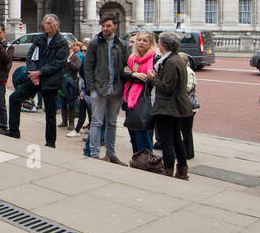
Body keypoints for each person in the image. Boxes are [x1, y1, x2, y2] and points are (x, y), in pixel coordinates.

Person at [4, 14, 69, 147]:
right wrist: (33, 74)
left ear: (56, 25)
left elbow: (58, 63)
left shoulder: (62, 42)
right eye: (45, 22)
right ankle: (14, 130)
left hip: (50, 80)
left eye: (49, 23)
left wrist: (40, 72)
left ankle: (50, 142)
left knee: (50, 113)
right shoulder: (40, 39)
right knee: (14, 98)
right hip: (35, 78)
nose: (46, 25)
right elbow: (30, 57)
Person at [83, 13, 126, 163]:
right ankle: (94, 154)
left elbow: (125, 67)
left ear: (115, 26)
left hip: (116, 89)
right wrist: (92, 88)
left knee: (112, 122)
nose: (105, 29)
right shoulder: (95, 43)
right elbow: (87, 67)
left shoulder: (121, 44)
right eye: (103, 26)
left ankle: (110, 154)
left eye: (108, 25)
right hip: (98, 88)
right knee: (96, 122)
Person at [151, 31, 193, 180]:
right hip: (176, 106)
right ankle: (182, 171)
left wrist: (153, 78)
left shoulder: (169, 62)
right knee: (176, 139)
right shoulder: (177, 60)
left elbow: (166, 87)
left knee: (167, 141)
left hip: (167, 107)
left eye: (159, 42)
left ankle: (168, 170)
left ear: (163, 45)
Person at [124, 30, 158, 169]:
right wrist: (135, 75)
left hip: (146, 99)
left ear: (150, 43)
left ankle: (147, 161)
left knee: (144, 132)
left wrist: (147, 78)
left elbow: (153, 81)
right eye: (139, 40)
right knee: (133, 131)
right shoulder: (132, 58)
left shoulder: (154, 58)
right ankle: (137, 159)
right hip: (130, 99)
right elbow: (124, 74)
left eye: (145, 40)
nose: (141, 43)